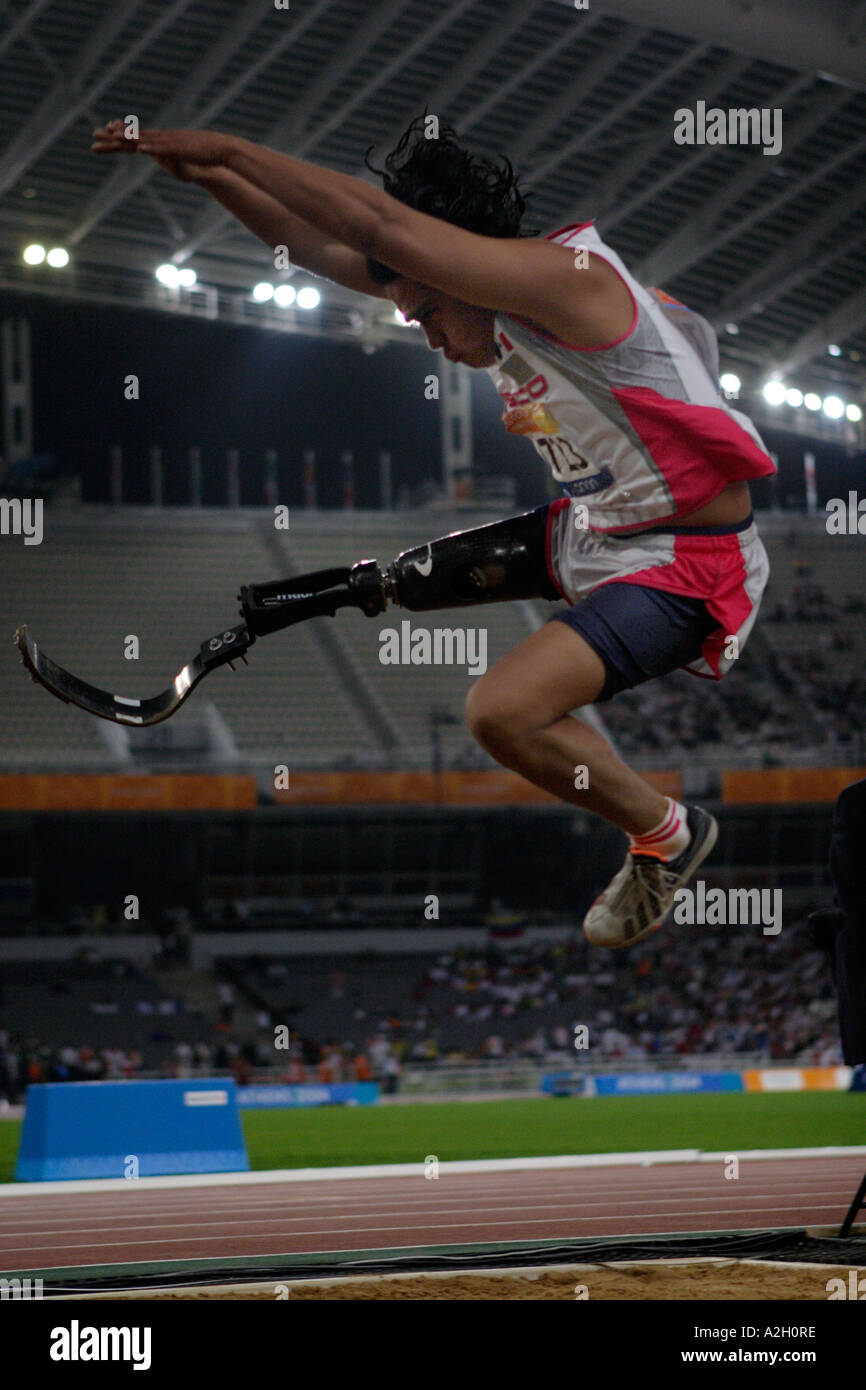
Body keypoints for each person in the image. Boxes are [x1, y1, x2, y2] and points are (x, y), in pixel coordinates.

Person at [92, 115, 776, 949]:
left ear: (457, 267)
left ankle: (665, 834)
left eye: (425, 315)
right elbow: (325, 250)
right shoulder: (491, 299)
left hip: (686, 560)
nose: (433, 343)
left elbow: (379, 229)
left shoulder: (570, 282)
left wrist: (231, 147)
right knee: (391, 581)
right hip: (597, 529)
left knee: (500, 713)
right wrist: (214, 182)